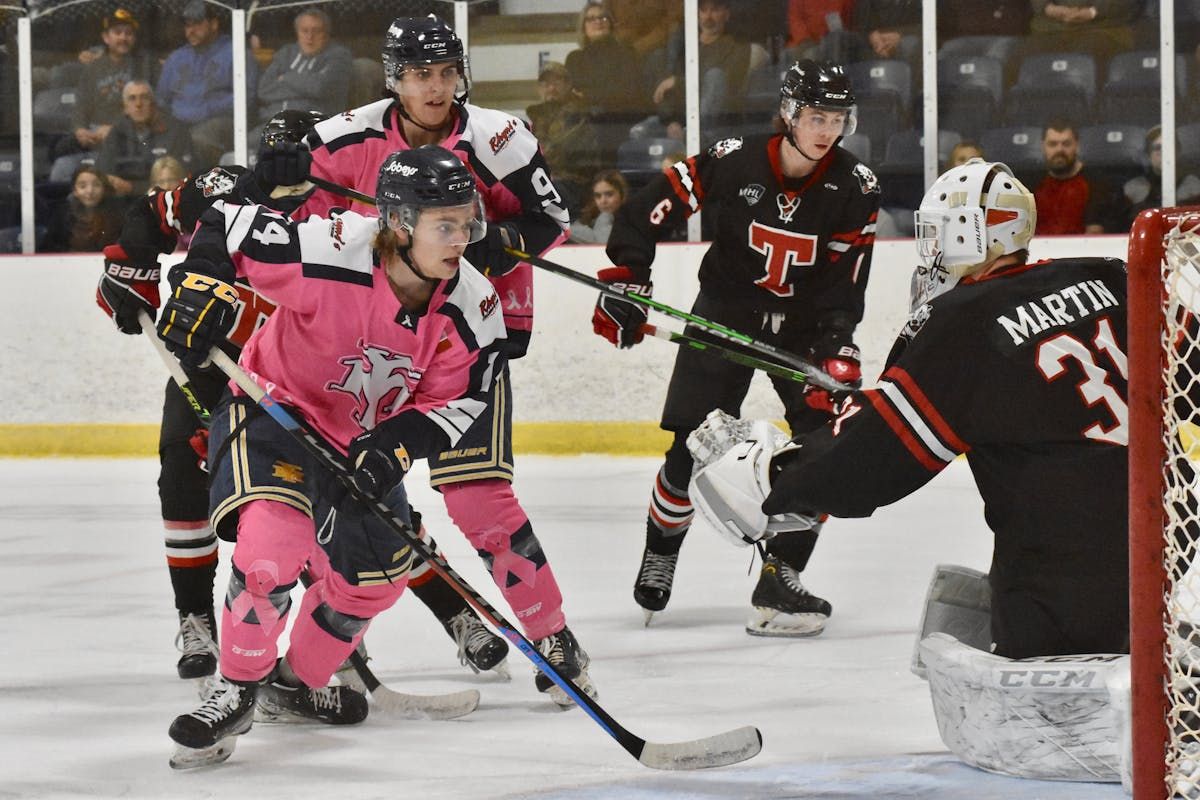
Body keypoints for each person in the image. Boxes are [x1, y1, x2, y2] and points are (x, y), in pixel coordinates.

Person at [686, 157, 1130, 781]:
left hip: (1066, 586)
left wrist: (776, 473)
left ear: (978, 234)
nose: (932, 250)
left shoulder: (965, 320)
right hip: (1175, 550)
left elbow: (877, 461)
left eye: (942, 231)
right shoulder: (1110, 275)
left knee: (1014, 659)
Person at [155, 145, 508, 769]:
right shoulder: (334, 246)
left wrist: (396, 445)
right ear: (399, 224)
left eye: (466, 220)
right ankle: (235, 687)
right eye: (444, 225)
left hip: (360, 446)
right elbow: (230, 222)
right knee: (271, 552)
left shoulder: (472, 306)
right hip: (275, 413)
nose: (461, 239)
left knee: (373, 584)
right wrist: (204, 279)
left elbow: (461, 402)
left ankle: (291, 685)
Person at [303, 15, 595, 699]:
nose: (434, 88)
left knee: (480, 501)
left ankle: (551, 636)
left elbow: (550, 218)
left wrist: (501, 243)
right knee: (354, 497)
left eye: (444, 73)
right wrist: (282, 160)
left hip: (463, 335)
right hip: (367, 344)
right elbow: (292, 210)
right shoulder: (347, 138)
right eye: (418, 75)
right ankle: (346, 641)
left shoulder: (499, 138)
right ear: (393, 78)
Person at [597, 60, 880, 635]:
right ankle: (662, 550)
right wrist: (629, 277)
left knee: (827, 447)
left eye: (837, 118)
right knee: (688, 449)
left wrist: (837, 344)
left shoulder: (855, 188)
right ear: (789, 114)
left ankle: (782, 575)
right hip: (727, 313)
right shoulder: (733, 161)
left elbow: (848, 281)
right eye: (815, 116)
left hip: (803, 327)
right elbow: (646, 208)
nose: (826, 130)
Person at [95, 109, 327, 681]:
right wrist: (129, 278)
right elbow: (149, 217)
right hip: (209, 362)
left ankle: (330, 619)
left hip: (294, 375)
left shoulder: (340, 215)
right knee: (181, 472)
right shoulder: (222, 191)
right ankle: (196, 617)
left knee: (316, 493)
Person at [156, 0, 259, 169]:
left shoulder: (235, 52)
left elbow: (247, 97)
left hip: (220, 122)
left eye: (197, 24)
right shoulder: (176, 58)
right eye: (187, 25)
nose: (191, 30)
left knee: (194, 142)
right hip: (178, 123)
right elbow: (161, 99)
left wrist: (204, 109)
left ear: (213, 24)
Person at [645, 0, 752, 139]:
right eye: (703, 10)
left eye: (714, 10)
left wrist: (678, 82)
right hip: (677, 122)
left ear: (726, 14)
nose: (708, 17)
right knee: (638, 133)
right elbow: (664, 86)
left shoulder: (738, 48)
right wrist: (672, 121)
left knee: (715, 75)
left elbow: (726, 83)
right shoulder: (683, 45)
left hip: (714, 127)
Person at [563, 2, 649, 164]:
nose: (598, 21)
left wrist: (590, 94)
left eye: (603, 17)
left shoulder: (625, 53)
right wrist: (603, 92)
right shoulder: (575, 58)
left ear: (610, 22)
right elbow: (574, 93)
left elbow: (628, 92)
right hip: (586, 119)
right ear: (583, 27)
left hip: (620, 119)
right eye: (591, 19)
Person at [69, 8, 155, 154]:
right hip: (95, 134)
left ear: (134, 38)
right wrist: (80, 130)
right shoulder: (92, 69)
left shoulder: (144, 66)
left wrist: (116, 129)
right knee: (62, 159)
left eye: (128, 33)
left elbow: (150, 110)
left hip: (132, 135)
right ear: (106, 37)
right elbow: (81, 107)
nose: (123, 37)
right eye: (117, 32)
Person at [525, 60, 601, 218]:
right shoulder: (537, 119)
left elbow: (556, 153)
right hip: (547, 181)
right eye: (546, 84)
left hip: (574, 183)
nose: (551, 88)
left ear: (568, 85)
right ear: (539, 89)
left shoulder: (580, 115)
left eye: (557, 82)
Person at [95, 80, 193, 197]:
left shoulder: (176, 131)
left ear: (153, 104)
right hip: (123, 203)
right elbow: (102, 172)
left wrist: (132, 188)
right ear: (125, 108)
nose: (138, 104)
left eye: (144, 98)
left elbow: (181, 178)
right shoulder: (116, 132)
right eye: (132, 98)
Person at [255, 8, 352, 123]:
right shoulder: (286, 53)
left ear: (326, 34)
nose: (310, 37)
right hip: (272, 121)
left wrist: (285, 78)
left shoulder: (339, 55)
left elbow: (320, 88)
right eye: (304, 31)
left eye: (316, 31)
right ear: (297, 33)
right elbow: (263, 90)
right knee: (249, 139)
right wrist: (305, 90)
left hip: (311, 125)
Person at [1033, 118, 1120, 235]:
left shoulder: (1101, 187)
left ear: (1077, 145)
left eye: (1066, 144)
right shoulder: (1030, 186)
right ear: (1043, 147)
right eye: (1053, 144)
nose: (1060, 150)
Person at [1121, 125, 1200, 229]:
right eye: (1157, 148)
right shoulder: (1133, 188)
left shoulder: (1193, 186)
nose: (1164, 153)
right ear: (1149, 154)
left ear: (1178, 151)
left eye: (1169, 147)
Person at [40, 164, 126, 252]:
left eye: (96, 185)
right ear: (75, 191)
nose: (90, 191)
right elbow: (49, 248)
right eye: (82, 186)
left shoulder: (115, 216)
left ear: (104, 189)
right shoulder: (62, 216)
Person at [569, 169, 627, 244]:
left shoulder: (632, 221)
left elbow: (603, 243)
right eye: (598, 196)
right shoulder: (586, 221)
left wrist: (606, 216)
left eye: (609, 194)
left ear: (622, 195)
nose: (603, 201)